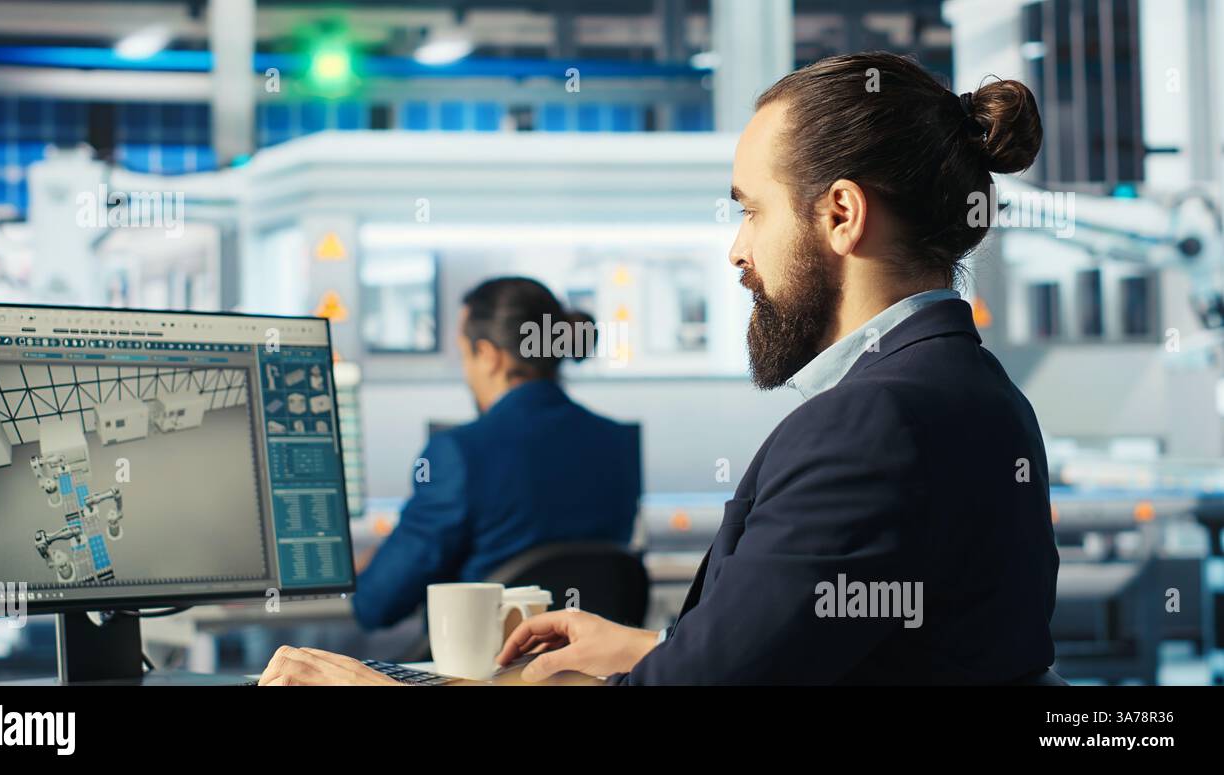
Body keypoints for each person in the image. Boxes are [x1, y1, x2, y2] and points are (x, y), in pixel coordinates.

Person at [258, 51, 1059, 686]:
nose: (738, 250)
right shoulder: (983, 395)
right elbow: (827, 656)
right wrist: (653, 648)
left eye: (752, 210)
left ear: (841, 214)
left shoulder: (869, 423)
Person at [349, 276, 641, 632]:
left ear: (488, 356)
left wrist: (375, 565)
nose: (466, 371)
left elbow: (376, 604)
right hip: (590, 660)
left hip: (489, 661)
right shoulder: (618, 443)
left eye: (465, 355)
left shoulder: (457, 454)